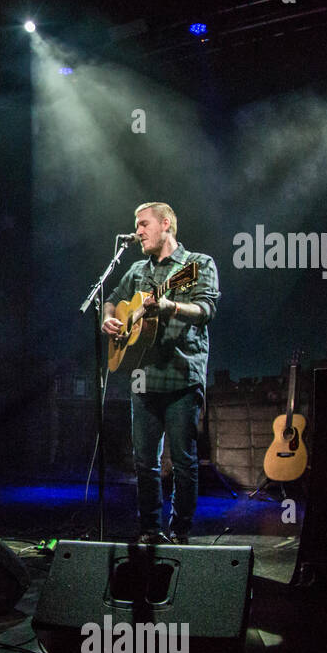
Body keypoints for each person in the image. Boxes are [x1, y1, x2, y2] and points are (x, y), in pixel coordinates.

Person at [101, 202, 220, 545]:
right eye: (136, 225)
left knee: (183, 461)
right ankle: (150, 530)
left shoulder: (195, 265)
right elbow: (113, 299)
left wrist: (170, 306)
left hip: (182, 375)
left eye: (143, 224)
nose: (137, 231)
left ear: (166, 224)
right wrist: (109, 318)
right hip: (142, 377)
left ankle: (180, 532)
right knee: (144, 462)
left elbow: (206, 309)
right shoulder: (137, 270)